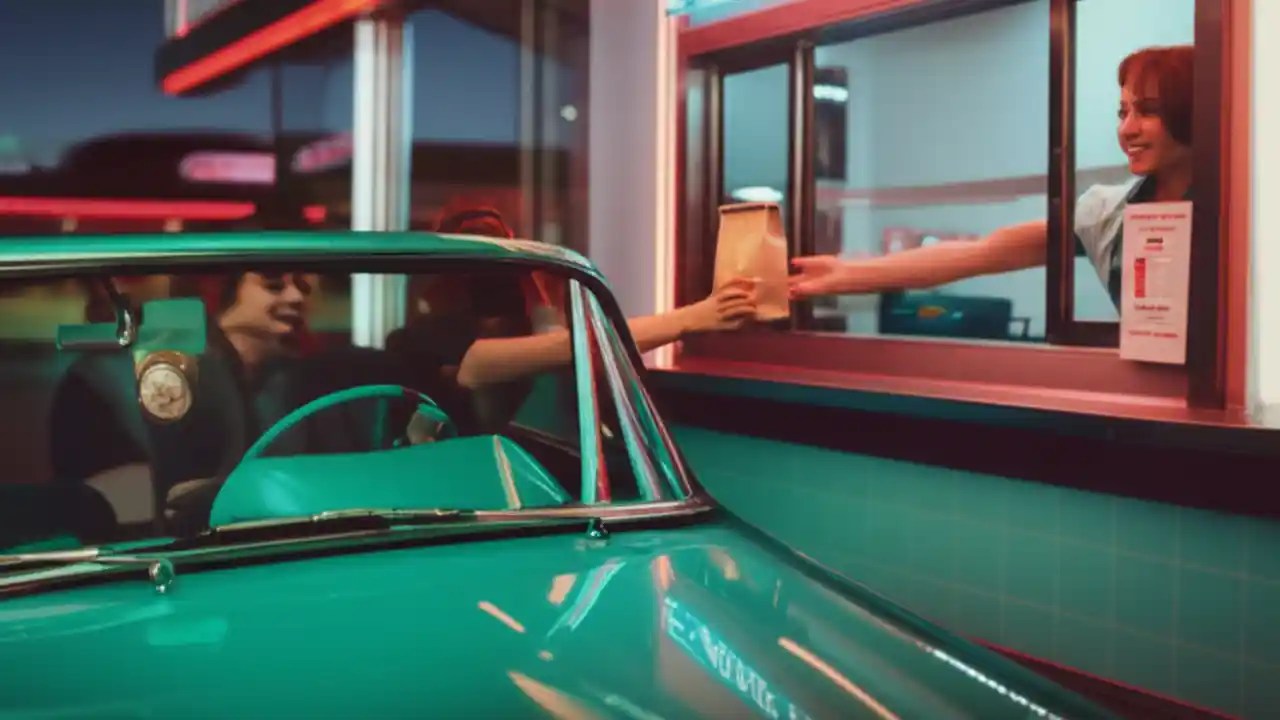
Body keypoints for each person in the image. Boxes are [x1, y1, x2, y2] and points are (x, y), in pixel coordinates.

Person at [788, 45, 1193, 311]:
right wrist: (845, 274)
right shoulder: (1105, 214)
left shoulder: (1244, 213)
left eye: (1149, 110)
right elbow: (983, 252)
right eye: (1122, 112)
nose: (1127, 130)